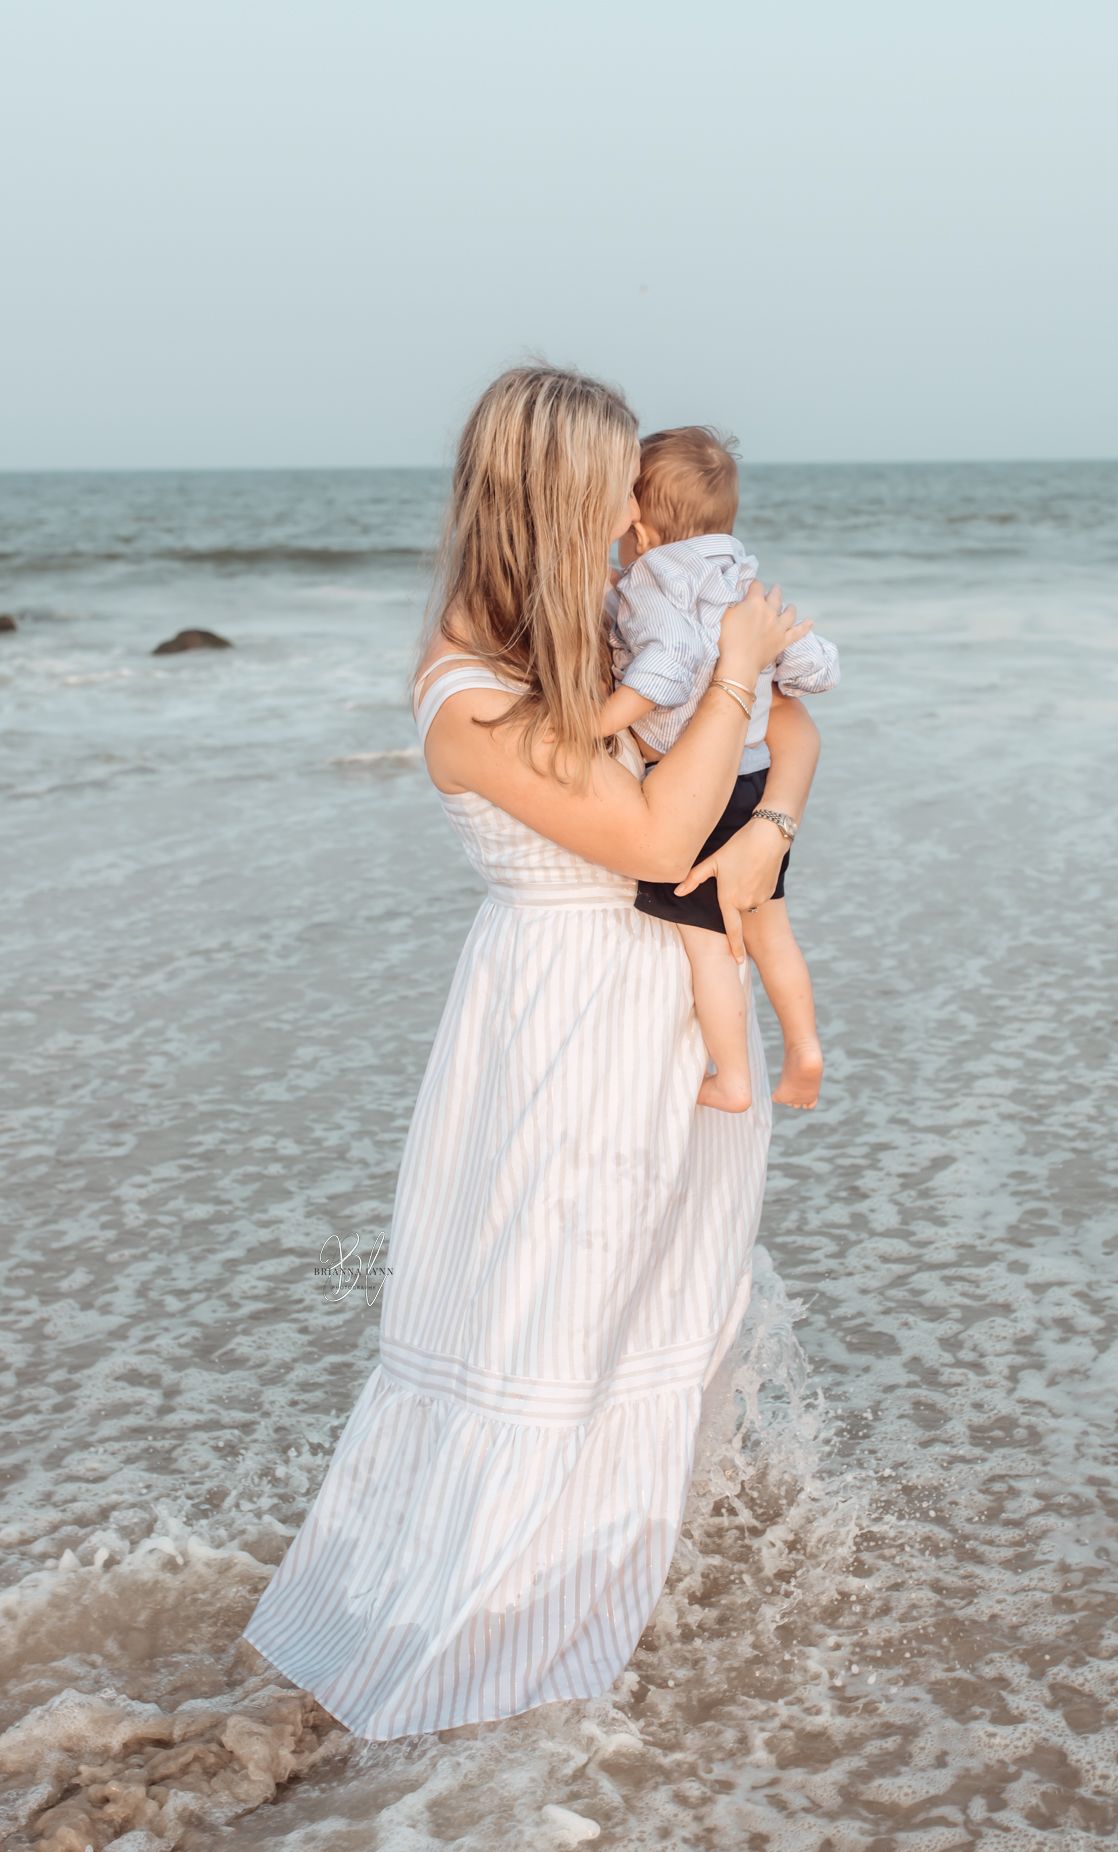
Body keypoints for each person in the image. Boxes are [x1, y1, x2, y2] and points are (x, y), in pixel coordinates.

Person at [239, 365, 822, 1739]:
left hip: (670, 999)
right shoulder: (468, 692)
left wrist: (775, 824)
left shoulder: (611, 623)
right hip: (564, 1024)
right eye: (614, 479)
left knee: (653, 1295)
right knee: (545, 1304)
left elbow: (791, 722)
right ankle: (483, 1636)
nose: (636, 504)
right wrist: (732, 678)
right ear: (549, 494)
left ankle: (610, 1569)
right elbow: (654, 838)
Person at [598, 424, 838, 1112]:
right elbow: (805, 660)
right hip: (757, 773)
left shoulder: (652, 579)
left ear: (640, 531)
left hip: (696, 784)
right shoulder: (739, 575)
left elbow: (664, 666)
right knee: (769, 929)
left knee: (711, 949)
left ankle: (733, 1081)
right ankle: (805, 1049)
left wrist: (601, 721)